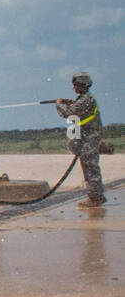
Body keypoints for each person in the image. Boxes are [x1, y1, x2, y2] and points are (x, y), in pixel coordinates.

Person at [55, 71, 105, 209]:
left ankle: (95, 198)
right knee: (89, 167)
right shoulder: (84, 98)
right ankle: (96, 196)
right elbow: (76, 109)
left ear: (83, 85)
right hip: (87, 138)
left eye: (76, 85)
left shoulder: (86, 99)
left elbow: (69, 114)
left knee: (91, 168)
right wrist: (70, 102)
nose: (74, 88)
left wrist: (59, 104)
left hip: (90, 138)